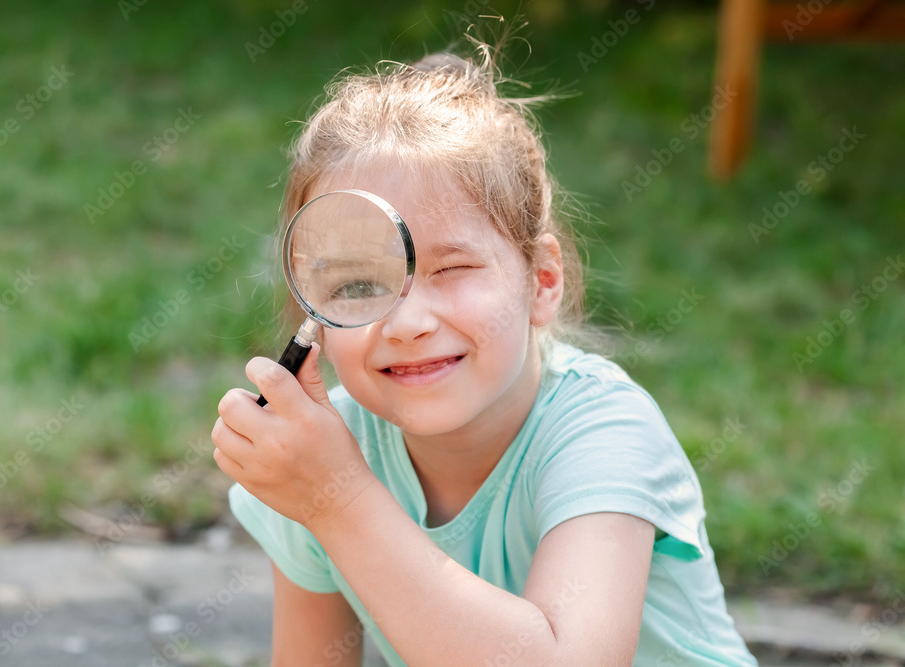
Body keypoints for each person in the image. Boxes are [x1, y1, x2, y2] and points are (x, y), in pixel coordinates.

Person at [211, 46, 758, 666]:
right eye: (358, 285)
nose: (408, 323)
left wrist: (337, 503)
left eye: (453, 268)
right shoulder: (321, 455)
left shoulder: (605, 433)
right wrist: (324, 494)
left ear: (542, 281)